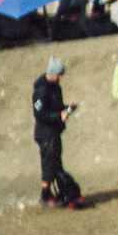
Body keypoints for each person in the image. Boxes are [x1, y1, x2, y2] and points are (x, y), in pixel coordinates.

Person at [32, 58, 85, 209]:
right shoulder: (42, 90)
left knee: (56, 163)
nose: (61, 78)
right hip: (45, 133)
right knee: (48, 163)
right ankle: (45, 195)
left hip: (54, 132)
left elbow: (56, 107)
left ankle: (59, 192)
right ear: (52, 74)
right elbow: (40, 114)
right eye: (59, 75)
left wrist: (67, 109)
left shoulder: (56, 88)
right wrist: (58, 116)